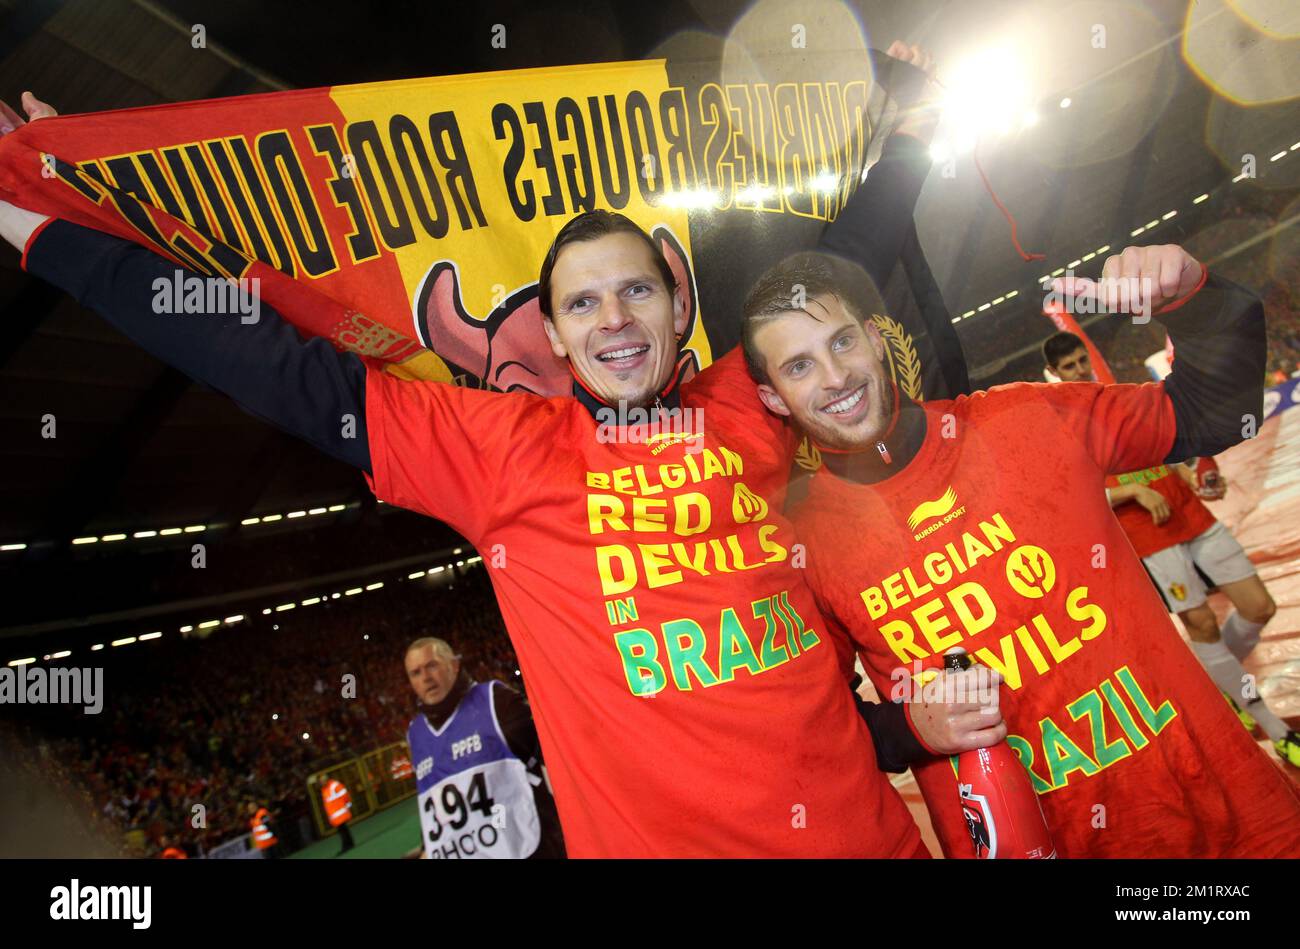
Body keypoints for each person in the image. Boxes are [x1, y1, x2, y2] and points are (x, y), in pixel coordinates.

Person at [0, 47, 998, 858]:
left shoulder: (744, 401)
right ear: (556, 343)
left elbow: (845, 258)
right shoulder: (499, 449)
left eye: (636, 289)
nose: (613, 316)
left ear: (677, 303)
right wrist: (60, 219)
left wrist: (909, 127)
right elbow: (265, 362)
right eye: (581, 302)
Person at [739, 246, 1300, 857]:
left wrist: (1195, 297)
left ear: (876, 340)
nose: (835, 376)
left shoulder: (1029, 417)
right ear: (773, 399)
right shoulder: (797, 544)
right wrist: (906, 730)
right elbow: (819, 722)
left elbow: (1216, 414)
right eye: (798, 366)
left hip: (1236, 828)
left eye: (842, 342)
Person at [1044, 331, 1299, 765]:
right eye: (1069, 367)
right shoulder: (1061, 425)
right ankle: (1276, 730)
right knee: (1201, 624)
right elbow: (1068, 495)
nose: (1080, 371)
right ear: (1054, 374)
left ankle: (1218, 676)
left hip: (1190, 514)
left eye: (1081, 361)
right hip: (1148, 533)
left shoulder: (1124, 397)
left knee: (1259, 607)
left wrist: (1195, 476)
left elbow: (1167, 449)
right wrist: (1134, 494)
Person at [404, 637, 566, 859]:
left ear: (454, 665)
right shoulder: (416, 734)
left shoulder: (495, 701)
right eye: (416, 673)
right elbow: (433, 799)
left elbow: (557, 753)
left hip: (528, 850)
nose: (426, 678)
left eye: (432, 665)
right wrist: (426, 847)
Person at [321, 775, 355, 854]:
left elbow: (344, 794)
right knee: (344, 830)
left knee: (342, 830)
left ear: (327, 780)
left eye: (322, 781)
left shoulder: (333, 786)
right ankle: (350, 844)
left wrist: (348, 804)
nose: (321, 783)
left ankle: (346, 846)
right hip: (336, 814)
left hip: (340, 812)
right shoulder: (326, 789)